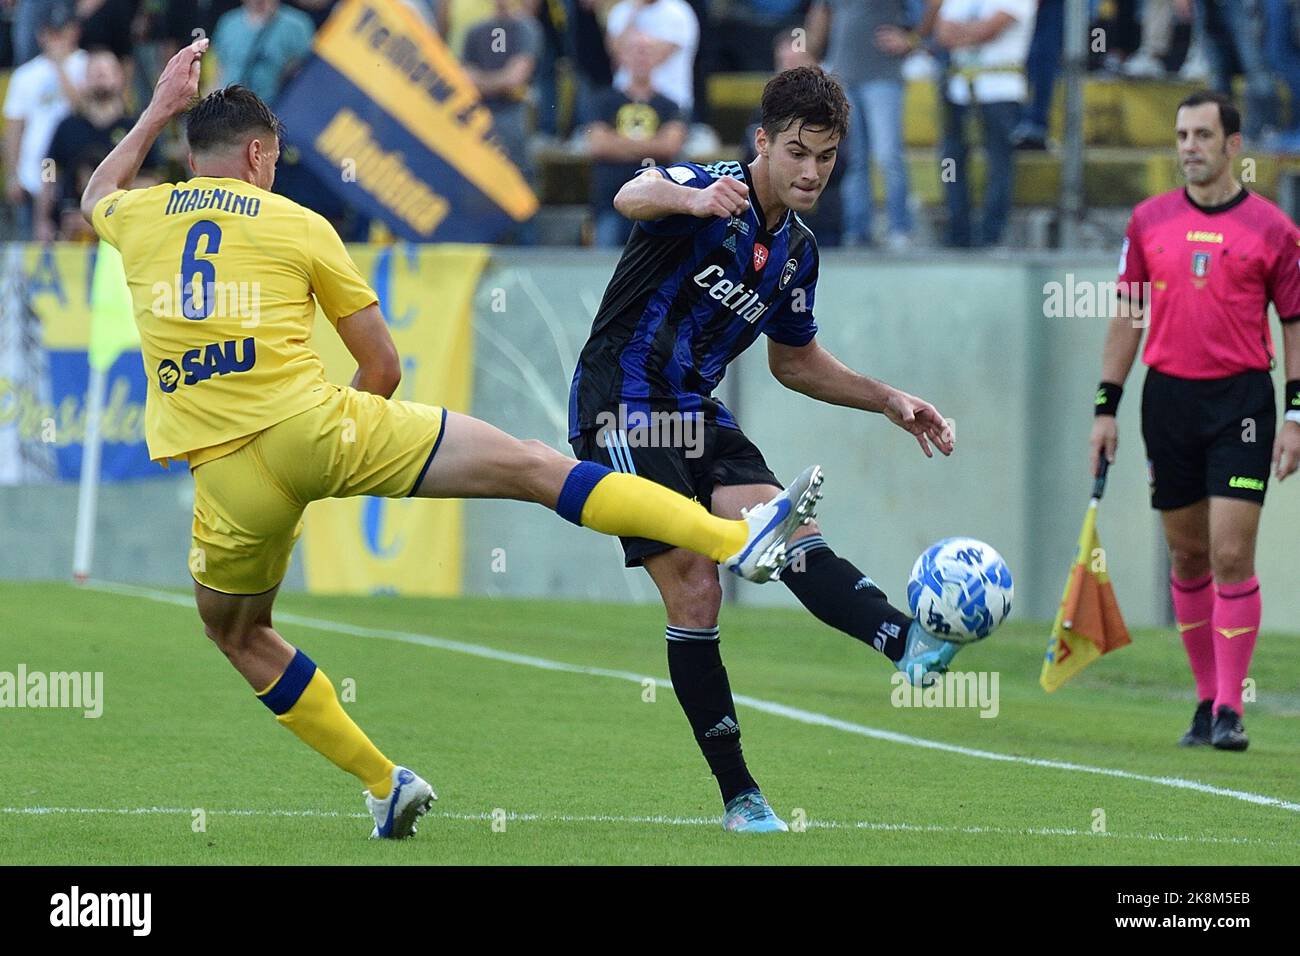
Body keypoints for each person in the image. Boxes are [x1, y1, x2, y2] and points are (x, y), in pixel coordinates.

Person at [81, 40, 824, 839]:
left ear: (190, 155)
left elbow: (96, 190)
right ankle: (732, 537)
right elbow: (383, 365)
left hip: (225, 480)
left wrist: (157, 105)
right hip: (321, 428)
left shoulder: (140, 214)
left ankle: (382, 782)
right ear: (258, 156)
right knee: (536, 467)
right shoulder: (298, 223)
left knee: (235, 631)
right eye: (272, 160)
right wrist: (335, 459)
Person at [567, 67, 957, 833]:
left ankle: (903, 640)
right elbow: (630, 194)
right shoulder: (711, 186)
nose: (811, 170)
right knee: (697, 588)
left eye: (826, 156)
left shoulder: (797, 255)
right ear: (763, 144)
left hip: (694, 413)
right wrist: (690, 197)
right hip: (620, 409)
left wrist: (890, 401)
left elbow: (795, 362)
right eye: (797, 152)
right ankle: (741, 796)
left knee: (793, 534)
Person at [1089, 91, 1300, 753]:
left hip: (1241, 402)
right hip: (1168, 401)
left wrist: (1295, 412)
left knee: (1233, 553)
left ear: (1234, 146)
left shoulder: (1275, 230)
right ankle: (1205, 700)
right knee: (1187, 554)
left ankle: (1233, 709)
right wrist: (1105, 408)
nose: (1189, 146)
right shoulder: (1148, 221)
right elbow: (1127, 314)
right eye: (1182, 135)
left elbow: (1294, 324)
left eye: (1203, 135)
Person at [934, 0, 1035, 247]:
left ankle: (991, 234)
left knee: (998, 164)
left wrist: (964, 31)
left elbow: (990, 30)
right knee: (951, 162)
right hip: (959, 90)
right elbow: (943, 34)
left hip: (1001, 90)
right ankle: (958, 231)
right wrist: (975, 31)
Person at [40, 50, 165, 241]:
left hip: (122, 230)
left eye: (107, 71)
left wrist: (100, 210)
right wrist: (43, 218)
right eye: (94, 72)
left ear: (121, 78)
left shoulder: (138, 127)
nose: (100, 75)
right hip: (68, 230)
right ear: (83, 81)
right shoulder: (66, 126)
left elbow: (154, 178)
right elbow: (48, 168)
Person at [585, 31, 686, 247]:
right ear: (622, 57)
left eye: (647, 52)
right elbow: (598, 145)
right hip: (609, 203)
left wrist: (618, 142)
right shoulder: (604, 100)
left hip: (657, 206)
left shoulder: (670, 105)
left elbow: (669, 146)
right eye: (635, 51)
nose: (641, 57)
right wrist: (650, 146)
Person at [2, 2, 87, 238]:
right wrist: (12, 175)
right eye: (52, 32)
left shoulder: (87, 64)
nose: (57, 37)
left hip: (74, 173)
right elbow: (14, 128)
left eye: (63, 30)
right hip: (35, 173)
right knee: (33, 242)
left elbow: (84, 110)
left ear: (75, 31)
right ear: (42, 34)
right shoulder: (25, 75)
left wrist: (60, 66)